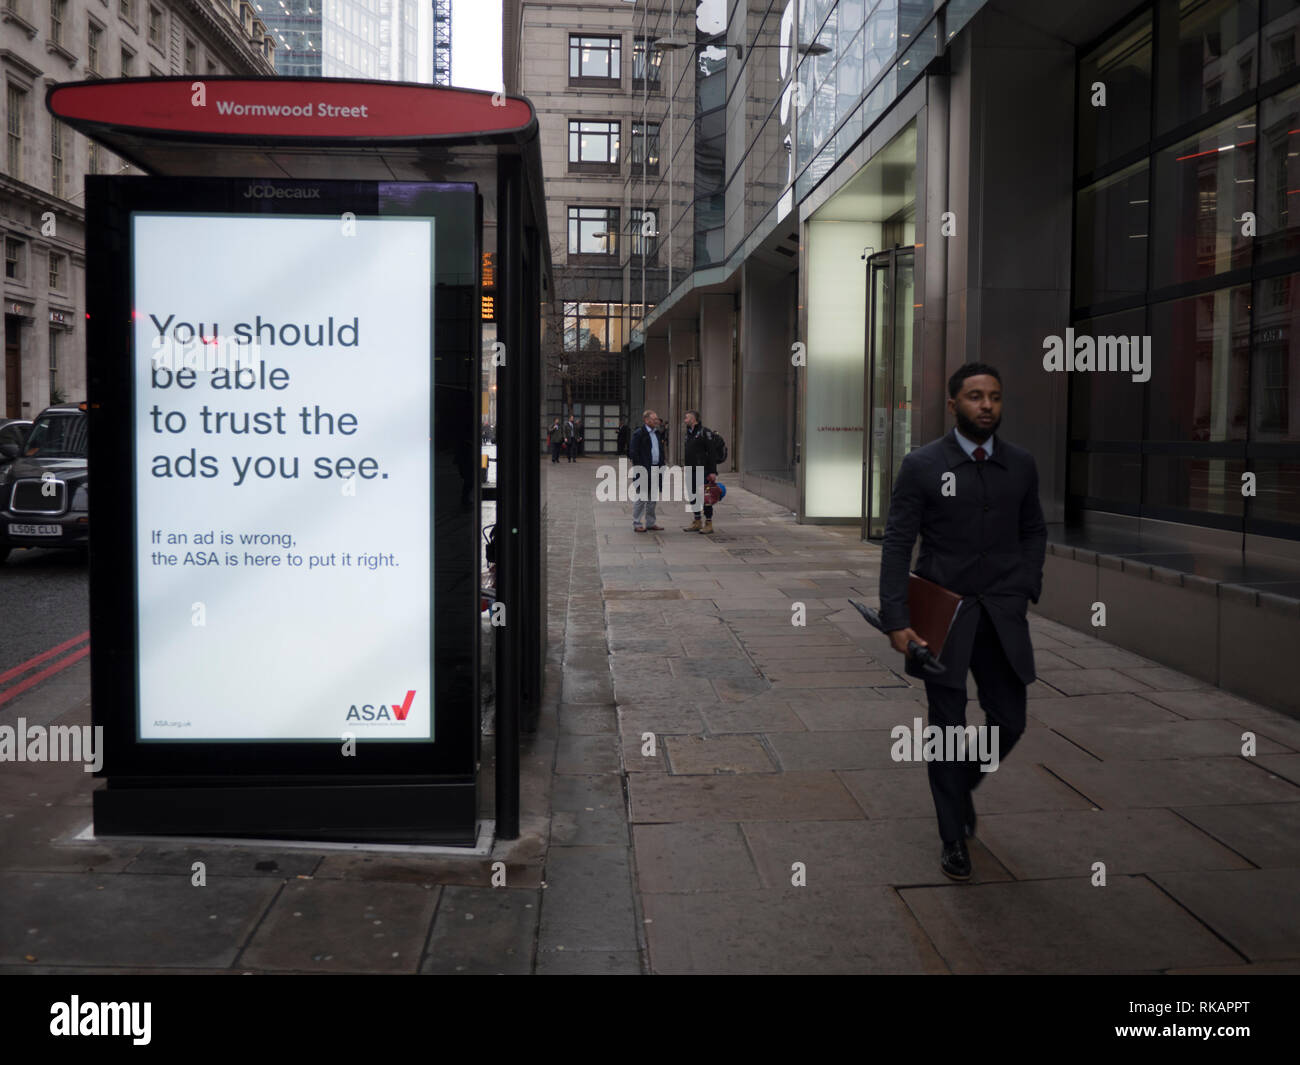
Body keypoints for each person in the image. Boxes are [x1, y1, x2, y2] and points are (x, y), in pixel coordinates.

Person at [878, 362, 1046, 882]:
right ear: (953, 404)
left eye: (994, 396)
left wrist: (1023, 585)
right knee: (947, 729)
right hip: (942, 616)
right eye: (975, 396)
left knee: (1010, 721)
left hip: (1001, 616)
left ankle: (961, 783)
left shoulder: (1020, 464)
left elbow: (1033, 530)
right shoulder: (923, 465)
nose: (987, 405)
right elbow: (898, 543)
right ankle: (953, 836)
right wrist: (896, 620)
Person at [681, 409, 719, 534]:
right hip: (690, 469)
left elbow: (712, 453)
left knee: (705, 496)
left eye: (686, 418)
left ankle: (708, 523)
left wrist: (713, 472)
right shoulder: (689, 433)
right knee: (692, 495)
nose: (685, 420)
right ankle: (697, 521)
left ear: (693, 419)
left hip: (702, 470)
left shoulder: (704, 432)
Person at [627, 410, 665, 533]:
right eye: (654, 419)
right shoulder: (639, 433)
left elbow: (660, 450)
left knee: (652, 499)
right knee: (641, 498)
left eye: (657, 419)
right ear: (646, 420)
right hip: (644, 470)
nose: (657, 421)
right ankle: (637, 523)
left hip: (656, 469)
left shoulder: (657, 433)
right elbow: (633, 452)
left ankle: (650, 522)